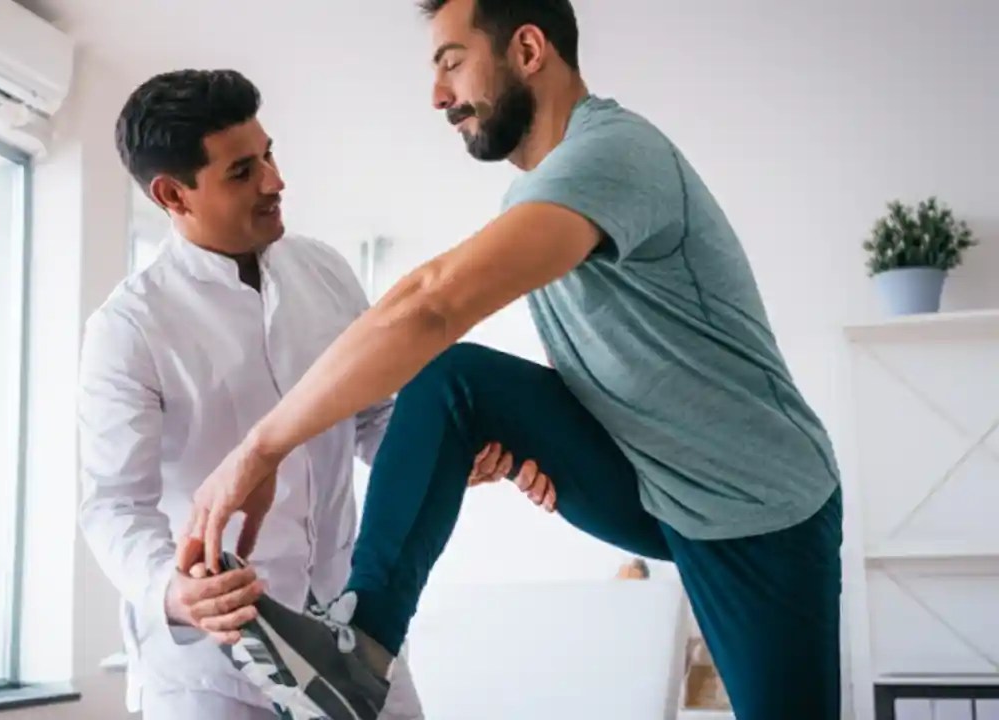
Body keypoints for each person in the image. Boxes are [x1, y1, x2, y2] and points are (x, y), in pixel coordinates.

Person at [179, 2, 844, 720]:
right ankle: (362, 648)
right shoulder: (535, 190)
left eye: (452, 62)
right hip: (659, 485)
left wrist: (259, 448)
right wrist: (540, 440)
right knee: (456, 384)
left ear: (528, 49)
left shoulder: (612, 156)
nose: (438, 96)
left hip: (759, 507)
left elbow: (431, 303)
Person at [78, 67, 551, 720]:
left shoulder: (324, 270)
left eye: (268, 154)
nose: (275, 181)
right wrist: (172, 590)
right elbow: (112, 505)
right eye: (242, 172)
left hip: (348, 632)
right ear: (173, 195)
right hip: (208, 670)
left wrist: (443, 458)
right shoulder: (128, 327)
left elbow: (374, 417)